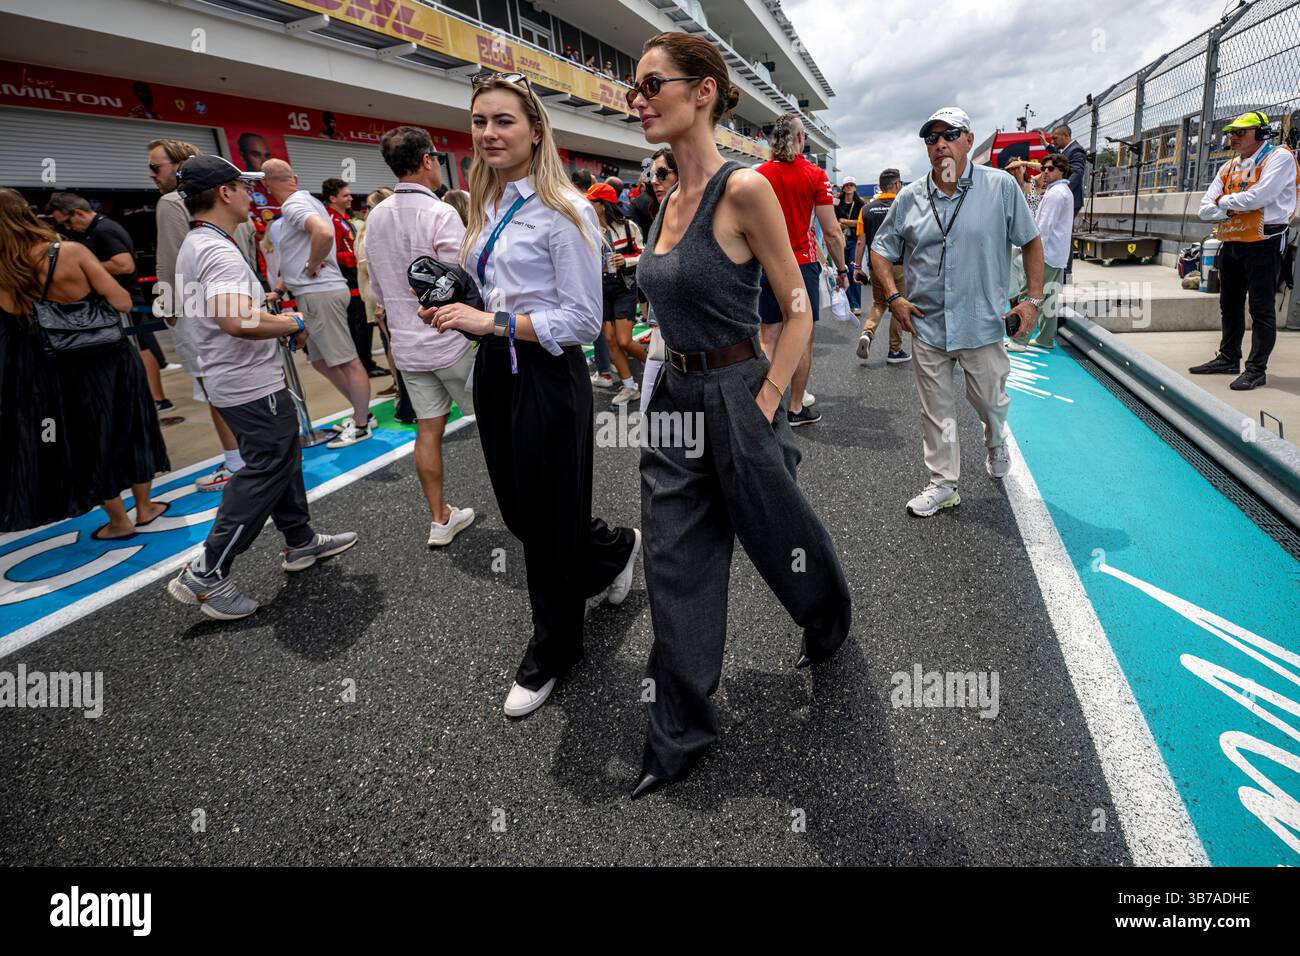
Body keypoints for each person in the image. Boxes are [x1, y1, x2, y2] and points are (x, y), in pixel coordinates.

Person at [628, 33, 853, 797]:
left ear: (703, 91)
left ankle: (826, 622)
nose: (639, 97)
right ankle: (680, 730)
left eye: (652, 82)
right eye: (636, 87)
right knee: (672, 561)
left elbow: (796, 310)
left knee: (780, 535)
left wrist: (768, 400)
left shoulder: (744, 189)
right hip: (672, 404)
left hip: (736, 391)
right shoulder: (664, 199)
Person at [422, 70, 639, 719]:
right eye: (479, 121)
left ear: (536, 130)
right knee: (523, 515)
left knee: (544, 526)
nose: (488, 132)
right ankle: (613, 548)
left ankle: (554, 650)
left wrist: (485, 321)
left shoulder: (567, 211)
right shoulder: (485, 207)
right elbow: (497, 296)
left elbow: (578, 320)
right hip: (497, 370)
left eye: (503, 121)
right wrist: (460, 302)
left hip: (548, 374)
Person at [166, 155, 357, 620]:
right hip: (248, 382)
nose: (251, 195)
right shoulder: (216, 249)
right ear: (225, 193)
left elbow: (215, 311)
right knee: (266, 467)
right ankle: (207, 571)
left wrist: (264, 307)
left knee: (281, 457)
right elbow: (236, 321)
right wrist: (286, 321)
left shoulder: (200, 242)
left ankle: (300, 541)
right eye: (241, 187)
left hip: (233, 378)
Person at [869, 107, 1044, 517]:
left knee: (990, 403)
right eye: (932, 138)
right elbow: (881, 250)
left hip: (982, 325)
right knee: (937, 412)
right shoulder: (910, 197)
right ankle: (943, 483)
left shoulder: (1000, 187)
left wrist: (1033, 300)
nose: (940, 144)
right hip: (928, 327)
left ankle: (995, 438)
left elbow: (1031, 241)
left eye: (950, 134)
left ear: (969, 140)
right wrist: (894, 298)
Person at [0, 187, 170, 536]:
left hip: (60, 365)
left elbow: (16, 320)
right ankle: (145, 507)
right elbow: (122, 301)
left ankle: (118, 521)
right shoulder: (70, 251)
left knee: (88, 438)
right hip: (110, 355)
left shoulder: (5, 271)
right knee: (130, 425)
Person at [366, 125, 477, 547]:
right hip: (452, 340)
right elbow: (459, 280)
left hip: (408, 347)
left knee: (428, 432)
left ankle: (439, 518)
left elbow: (377, 286)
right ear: (429, 159)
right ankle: (523, 504)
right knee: (497, 423)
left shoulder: (375, 215)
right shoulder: (440, 212)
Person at [150, 137, 255, 492]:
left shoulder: (171, 203)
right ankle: (258, 454)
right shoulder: (235, 204)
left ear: (179, 167)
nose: (152, 175)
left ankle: (236, 461)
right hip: (242, 296)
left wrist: (167, 306)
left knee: (213, 384)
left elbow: (169, 258)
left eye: (156, 167)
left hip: (199, 306)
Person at [260, 158, 374, 447]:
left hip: (321, 291)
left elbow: (322, 233)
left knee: (346, 360)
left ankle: (362, 424)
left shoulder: (293, 205)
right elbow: (297, 252)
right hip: (313, 293)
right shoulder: (307, 201)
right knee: (322, 361)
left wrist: (313, 264)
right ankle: (362, 412)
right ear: (294, 178)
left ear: (264, 184)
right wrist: (283, 286)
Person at [1192, 111, 1299, 391]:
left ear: (1262, 133)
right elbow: (1204, 208)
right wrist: (1236, 204)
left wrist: (1224, 203)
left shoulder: (1279, 157)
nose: (1233, 137)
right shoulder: (1228, 166)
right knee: (1229, 304)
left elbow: (1262, 196)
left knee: (1261, 307)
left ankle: (1256, 369)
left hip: (1264, 241)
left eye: (1241, 132)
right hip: (1233, 242)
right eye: (1231, 132)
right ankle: (1228, 358)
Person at [755, 114, 848, 427]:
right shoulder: (814, 174)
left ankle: (765, 405)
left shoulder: (759, 174)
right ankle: (795, 407)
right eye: (804, 136)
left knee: (768, 335)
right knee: (801, 336)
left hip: (766, 266)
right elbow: (832, 231)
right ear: (797, 139)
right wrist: (843, 267)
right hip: (800, 266)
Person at [44, 191, 172, 410]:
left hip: (125, 301)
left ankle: (158, 399)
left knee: (140, 348)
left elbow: (124, 265)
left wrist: (84, 268)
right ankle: (149, 398)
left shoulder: (104, 229)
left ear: (77, 213)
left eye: (66, 222)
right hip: (118, 301)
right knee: (139, 348)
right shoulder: (97, 230)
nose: (67, 228)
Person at [587, 181, 646, 406]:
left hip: (624, 287)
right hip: (601, 288)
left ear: (603, 205)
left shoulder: (628, 227)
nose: (587, 205)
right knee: (610, 339)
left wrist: (626, 260)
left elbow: (645, 254)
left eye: (591, 202)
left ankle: (657, 368)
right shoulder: (590, 230)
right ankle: (630, 386)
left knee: (624, 340)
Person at [322, 177, 386, 379]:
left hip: (358, 277)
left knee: (365, 325)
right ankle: (365, 365)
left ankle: (367, 362)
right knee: (361, 325)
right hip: (349, 280)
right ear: (332, 198)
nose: (351, 198)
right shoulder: (330, 221)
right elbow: (330, 254)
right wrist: (358, 256)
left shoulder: (344, 219)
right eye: (345, 195)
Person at [1010, 153, 1072, 351]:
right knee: (1050, 300)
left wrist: (1028, 252)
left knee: (1029, 294)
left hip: (1045, 253)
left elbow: (1042, 228)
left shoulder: (1055, 194)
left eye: (1050, 168)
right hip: (1057, 254)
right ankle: (1046, 338)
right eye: (1043, 168)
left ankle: (1019, 340)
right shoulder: (1064, 191)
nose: (1045, 171)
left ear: (1061, 170)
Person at [853, 168, 910, 365]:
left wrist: (857, 266)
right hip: (899, 265)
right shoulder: (904, 206)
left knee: (879, 303)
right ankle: (895, 350)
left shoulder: (866, 209)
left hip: (876, 265)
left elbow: (861, 241)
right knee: (897, 305)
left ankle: (868, 332)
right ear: (896, 185)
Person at [637, 147, 679, 413]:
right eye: (652, 174)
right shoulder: (658, 216)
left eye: (662, 174)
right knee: (648, 419)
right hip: (660, 332)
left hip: (694, 345)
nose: (654, 180)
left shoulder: (700, 217)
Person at [835, 176, 865, 315]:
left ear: (855, 187)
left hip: (854, 241)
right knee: (842, 271)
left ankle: (856, 304)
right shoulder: (837, 203)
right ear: (843, 187)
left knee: (853, 270)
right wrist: (840, 224)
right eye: (846, 185)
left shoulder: (860, 204)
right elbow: (833, 221)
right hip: (840, 240)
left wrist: (845, 221)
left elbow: (861, 223)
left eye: (851, 184)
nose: (849, 187)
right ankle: (845, 303)